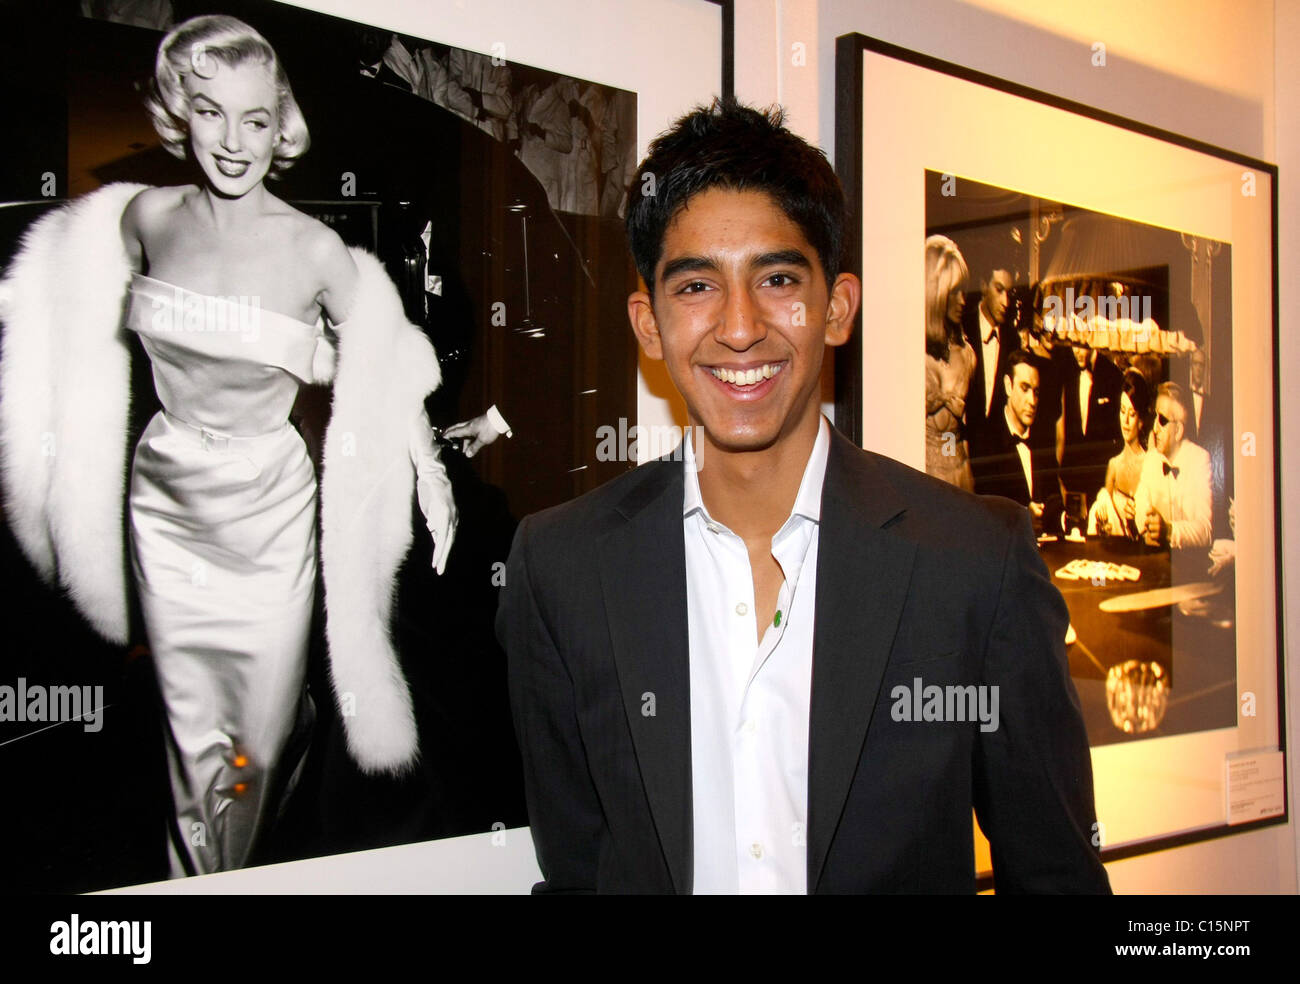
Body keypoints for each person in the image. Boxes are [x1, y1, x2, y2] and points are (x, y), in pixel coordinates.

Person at [496, 99, 1108, 894]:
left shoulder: (972, 564)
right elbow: (579, 868)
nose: (740, 327)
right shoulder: (562, 567)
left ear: (837, 307)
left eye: (778, 278)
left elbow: (1057, 874)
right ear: (648, 325)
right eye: (696, 287)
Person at [0, 15, 457, 876]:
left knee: (260, 730)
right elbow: (58, 284)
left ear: (279, 121)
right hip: (167, 499)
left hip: (271, 507)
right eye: (211, 112)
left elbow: (384, 362)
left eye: (255, 118)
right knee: (196, 738)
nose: (234, 141)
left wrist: (425, 466)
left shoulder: (316, 250)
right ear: (180, 109)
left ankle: (288, 741)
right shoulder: (143, 218)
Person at [923, 235, 976, 491]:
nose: (963, 301)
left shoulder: (967, 355)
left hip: (959, 477)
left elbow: (965, 436)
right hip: (918, 475)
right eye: (954, 292)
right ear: (937, 293)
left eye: (963, 290)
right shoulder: (907, 354)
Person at [1134, 381, 1213, 549]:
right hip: (1153, 558)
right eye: (1155, 416)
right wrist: (1147, 523)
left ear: (1178, 431)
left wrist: (1169, 531)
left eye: (1162, 420)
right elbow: (1140, 505)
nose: (1154, 428)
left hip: (1189, 566)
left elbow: (1206, 530)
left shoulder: (1200, 460)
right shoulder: (1151, 459)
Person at [960, 262, 1013, 460]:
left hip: (995, 459)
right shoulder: (961, 327)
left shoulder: (1013, 341)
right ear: (983, 286)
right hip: (960, 453)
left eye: (1009, 293)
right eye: (999, 290)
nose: (1005, 302)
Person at [1092, 369, 1151, 538]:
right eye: (1122, 411)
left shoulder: (1150, 464)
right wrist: (1105, 526)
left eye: (1132, 414)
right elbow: (1104, 519)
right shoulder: (1114, 465)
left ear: (1141, 421)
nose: (1125, 421)